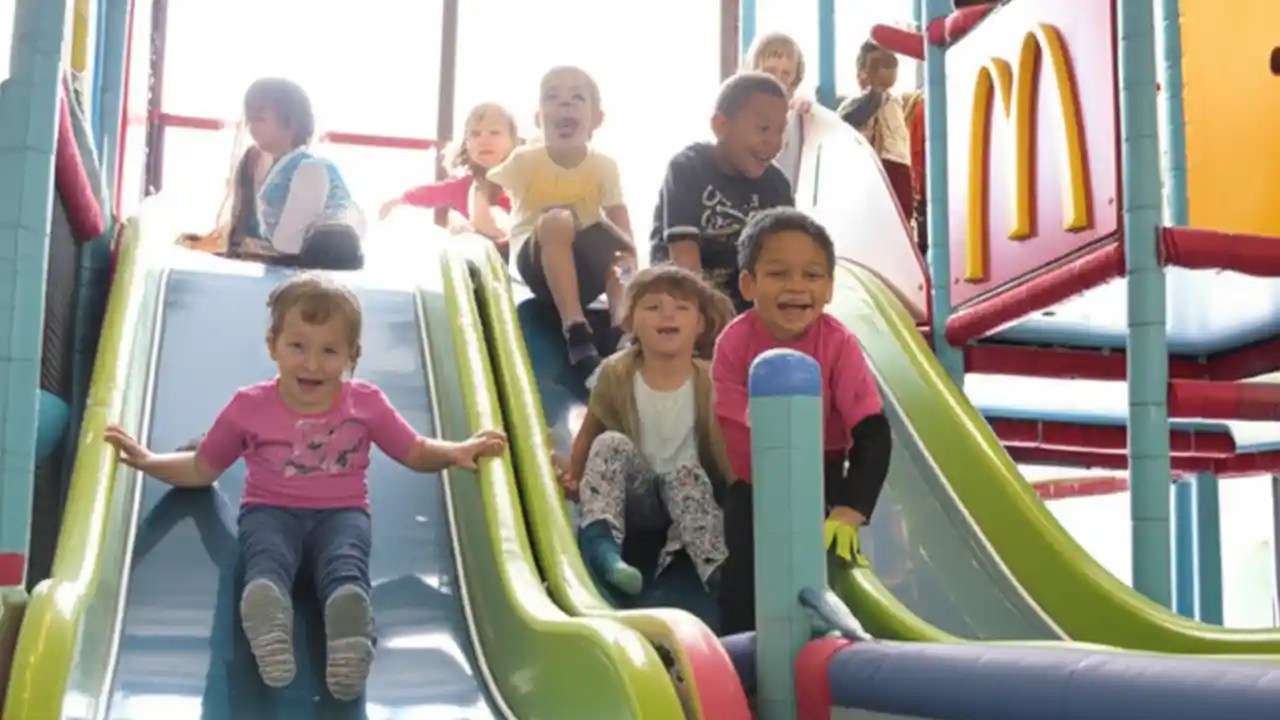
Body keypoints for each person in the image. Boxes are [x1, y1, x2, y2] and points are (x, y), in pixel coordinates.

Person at [102, 273, 507, 700]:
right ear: (273, 344)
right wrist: (149, 460)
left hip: (343, 514)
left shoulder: (366, 404)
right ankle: (267, 617)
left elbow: (414, 450)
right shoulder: (248, 407)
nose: (312, 364)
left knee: (346, 561)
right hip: (269, 511)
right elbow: (203, 468)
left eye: (329, 351)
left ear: (352, 355)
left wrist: (456, 451)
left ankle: (349, 628)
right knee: (266, 556)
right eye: (298, 346)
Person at [711, 208, 892, 635]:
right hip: (758, 479)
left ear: (829, 288)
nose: (796, 286)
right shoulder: (734, 342)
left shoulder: (839, 343)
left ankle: (828, 638)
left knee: (824, 568)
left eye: (812, 275)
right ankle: (744, 652)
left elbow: (872, 431)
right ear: (748, 284)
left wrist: (852, 507)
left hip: (821, 474)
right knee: (744, 576)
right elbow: (734, 418)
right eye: (778, 274)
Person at [564, 265, 736, 596]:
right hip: (638, 495)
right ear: (631, 322)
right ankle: (604, 551)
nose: (667, 315)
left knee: (686, 475)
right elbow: (591, 429)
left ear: (700, 324)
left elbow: (730, 446)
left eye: (681, 308)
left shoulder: (712, 379)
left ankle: (718, 574)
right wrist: (574, 474)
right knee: (610, 443)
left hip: (694, 496)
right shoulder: (616, 373)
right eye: (653, 307)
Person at [488, 66, 635, 373]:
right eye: (552, 97)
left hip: (586, 269)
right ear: (539, 118)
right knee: (557, 219)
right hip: (538, 263)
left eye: (577, 97)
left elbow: (620, 222)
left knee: (618, 247)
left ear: (597, 119)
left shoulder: (604, 166)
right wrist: (487, 228)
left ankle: (623, 328)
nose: (564, 102)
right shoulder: (525, 160)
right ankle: (576, 329)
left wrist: (630, 267)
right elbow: (486, 189)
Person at [649, 72, 794, 314]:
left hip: (744, 305)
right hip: (682, 297)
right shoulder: (688, 168)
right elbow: (684, 261)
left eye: (780, 131)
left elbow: (782, 257)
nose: (774, 142)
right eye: (763, 128)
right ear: (721, 125)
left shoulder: (776, 185)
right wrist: (710, 317)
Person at [244, 78, 367, 270]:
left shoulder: (310, 169)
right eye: (249, 120)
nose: (251, 128)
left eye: (259, 119)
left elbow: (288, 242)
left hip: (317, 271)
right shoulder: (282, 167)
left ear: (290, 123)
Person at [380, 102, 519, 256]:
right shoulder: (464, 185)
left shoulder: (520, 179)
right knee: (458, 225)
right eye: (475, 134)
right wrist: (402, 200)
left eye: (494, 133)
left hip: (517, 248)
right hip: (481, 252)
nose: (484, 140)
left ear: (512, 141)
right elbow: (433, 192)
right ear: (467, 144)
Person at [837, 42, 913, 223]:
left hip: (899, 174)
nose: (881, 71)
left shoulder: (896, 104)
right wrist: (875, 91)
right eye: (875, 67)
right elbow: (850, 119)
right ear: (860, 74)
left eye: (886, 65)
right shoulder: (853, 104)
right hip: (871, 173)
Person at [746, 32, 813, 187]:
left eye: (785, 74)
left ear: (794, 80)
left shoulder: (795, 112)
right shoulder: (740, 110)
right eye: (770, 72)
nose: (776, 80)